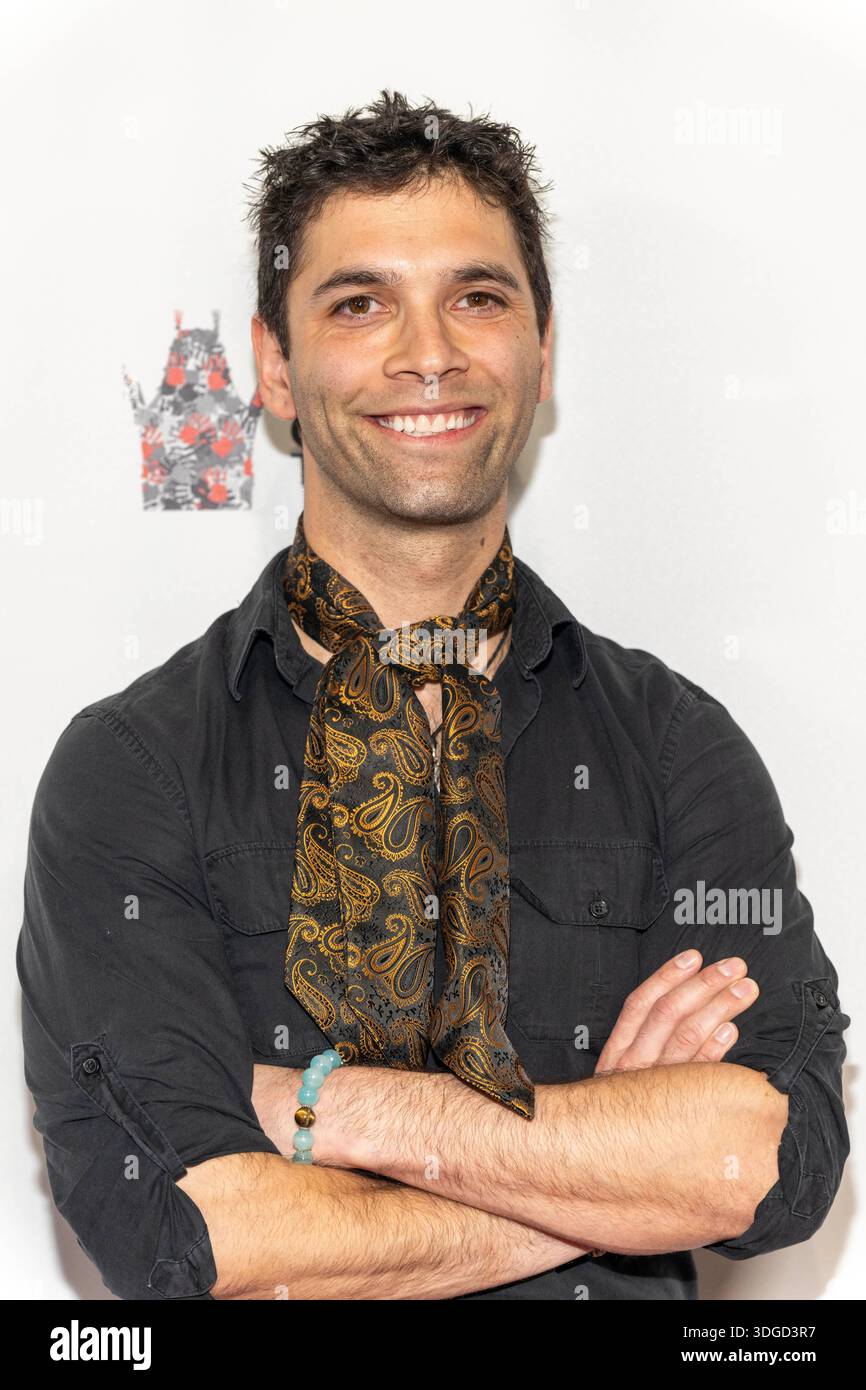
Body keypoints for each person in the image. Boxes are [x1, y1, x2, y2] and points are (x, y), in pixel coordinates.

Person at [18, 90, 849, 1301]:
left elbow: (767, 1163)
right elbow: (192, 1237)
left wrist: (325, 1107)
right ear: (273, 366)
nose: (429, 352)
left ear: (542, 349)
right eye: (359, 303)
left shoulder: (674, 745)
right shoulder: (132, 767)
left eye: (477, 296)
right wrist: (611, 1164)